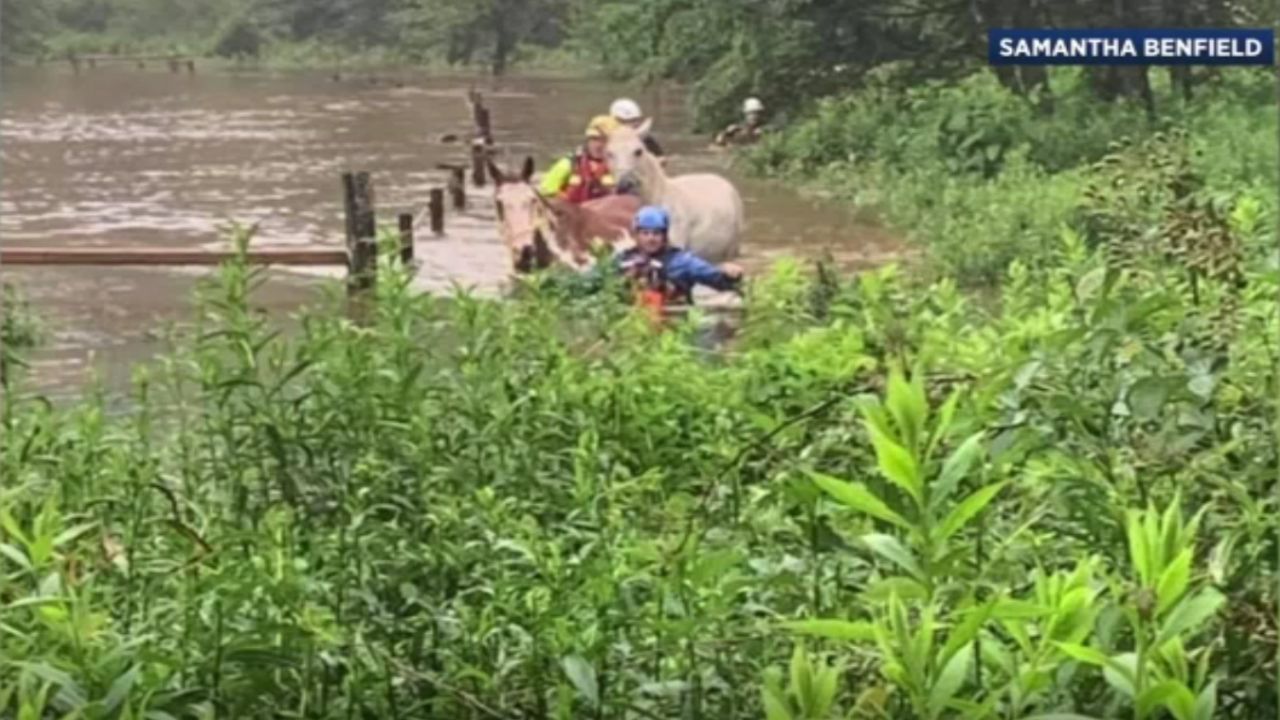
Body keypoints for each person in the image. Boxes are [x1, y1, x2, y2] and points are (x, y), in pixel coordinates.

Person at [611, 206, 743, 306]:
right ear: (637, 235)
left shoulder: (683, 262)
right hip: (633, 323)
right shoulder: (622, 260)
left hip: (674, 323)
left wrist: (730, 275)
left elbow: (717, 279)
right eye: (645, 233)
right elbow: (599, 284)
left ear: (664, 236)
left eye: (656, 233)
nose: (651, 239)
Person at [538, 115, 620, 204]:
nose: (598, 145)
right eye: (594, 139)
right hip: (571, 211)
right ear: (587, 140)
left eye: (604, 140)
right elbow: (545, 192)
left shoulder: (619, 168)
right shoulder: (569, 163)